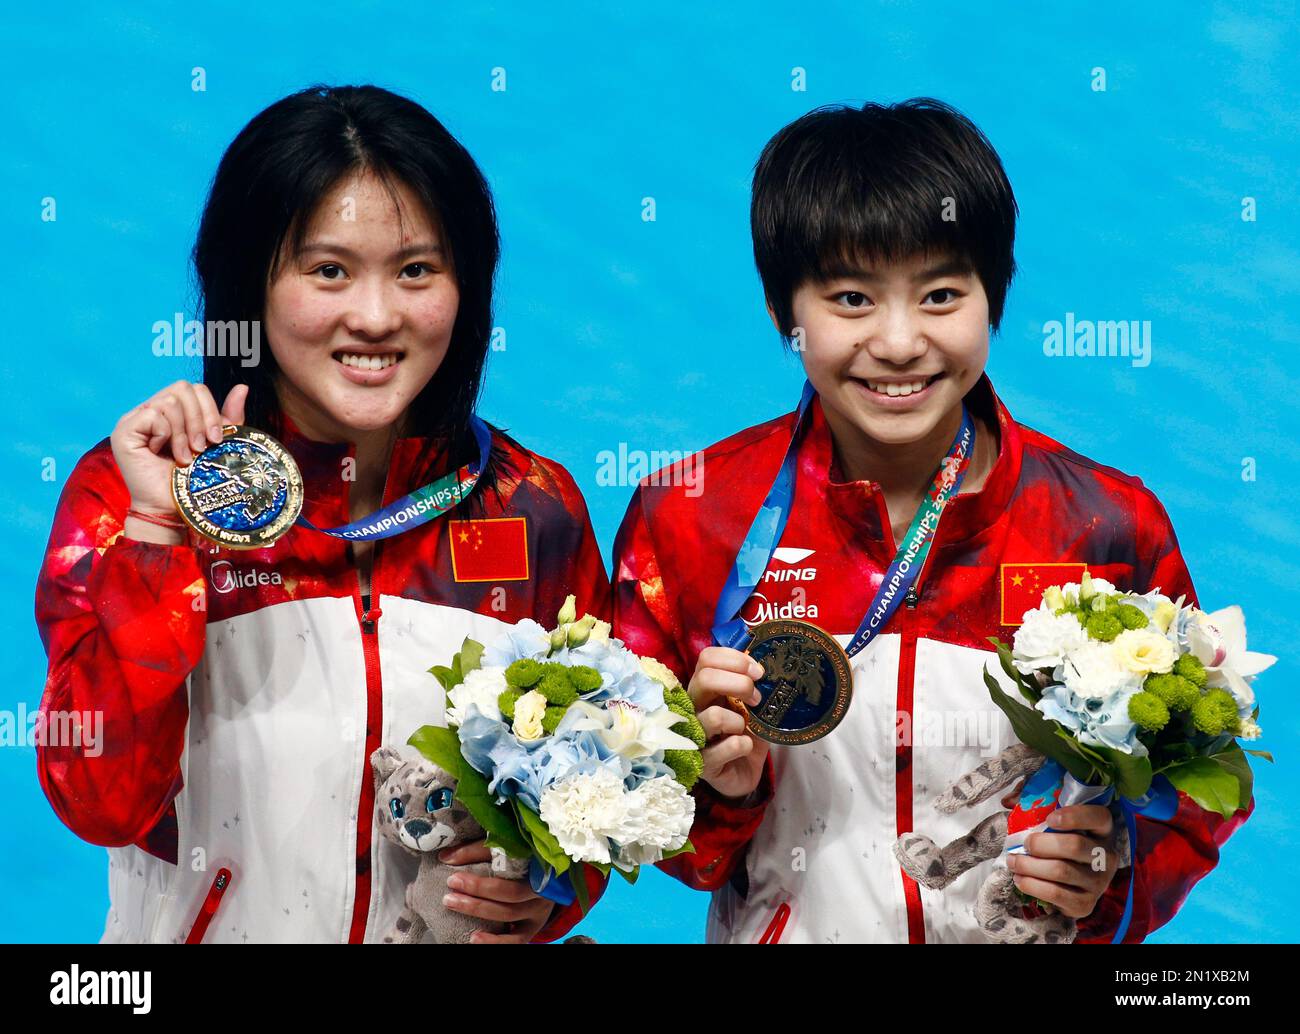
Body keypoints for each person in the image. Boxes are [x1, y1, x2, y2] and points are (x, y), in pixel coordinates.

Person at [611, 99, 1251, 943]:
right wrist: (721, 794)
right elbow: (649, 838)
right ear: (784, 315)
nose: (901, 341)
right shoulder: (694, 515)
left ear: (996, 299)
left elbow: (1199, 792)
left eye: (942, 293)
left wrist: (1111, 866)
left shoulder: (1104, 524)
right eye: (850, 298)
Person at [35, 84, 607, 944]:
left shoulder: (533, 505)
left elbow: (595, 781)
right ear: (249, 284)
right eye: (327, 270)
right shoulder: (139, 493)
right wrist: (158, 543)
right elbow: (99, 803)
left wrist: (555, 889)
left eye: (416, 270)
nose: (375, 318)